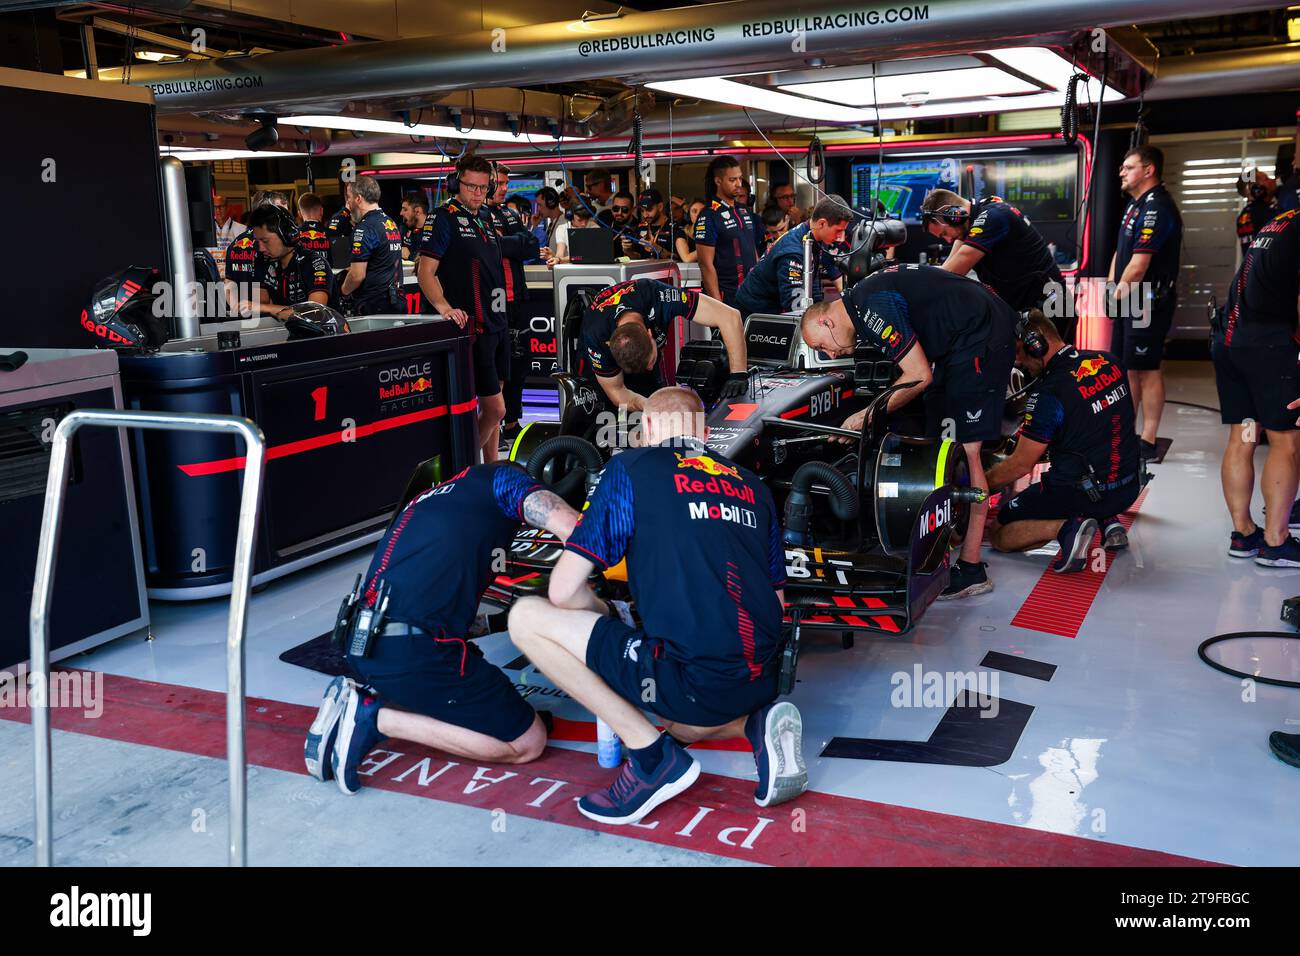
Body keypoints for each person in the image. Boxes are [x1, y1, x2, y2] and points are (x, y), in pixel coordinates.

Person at [508, 387, 808, 825]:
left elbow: (563, 591)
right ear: (706, 434)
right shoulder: (754, 486)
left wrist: (608, 619)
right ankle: (755, 724)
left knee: (526, 618)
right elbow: (776, 605)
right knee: (680, 720)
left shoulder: (631, 468)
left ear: (647, 428)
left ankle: (652, 759)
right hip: (759, 679)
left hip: (690, 681)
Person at [317, 462, 581, 794]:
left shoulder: (431, 498)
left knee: (474, 667)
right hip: (412, 652)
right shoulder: (506, 481)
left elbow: (439, 606)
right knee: (528, 741)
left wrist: (505, 620)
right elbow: (573, 529)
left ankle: (355, 703)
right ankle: (374, 718)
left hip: (363, 646)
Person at [801, 263, 1018, 599]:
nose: (830, 354)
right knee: (938, 441)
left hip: (981, 332)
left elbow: (918, 374)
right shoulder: (862, 302)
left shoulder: (872, 307)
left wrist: (865, 415)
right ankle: (939, 546)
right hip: (959, 340)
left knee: (967, 448)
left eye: (822, 347)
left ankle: (971, 568)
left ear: (825, 322)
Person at [985, 311, 1140, 571]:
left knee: (998, 532)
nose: (1018, 361)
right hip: (1128, 488)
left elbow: (1020, 465)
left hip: (1083, 494)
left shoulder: (1048, 394)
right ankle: (1106, 519)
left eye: (1019, 351)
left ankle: (1066, 528)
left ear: (1037, 344)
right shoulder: (1109, 361)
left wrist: (979, 485)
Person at [1212, 207, 1300, 567]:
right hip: (1269, 349)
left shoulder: (1282, 219)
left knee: (1245, 435)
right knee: (1286, 442)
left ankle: (1243, 533)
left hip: (1230, 342)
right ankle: (1276, 542)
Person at [419, 155, 511, 461]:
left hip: (498, 322)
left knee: (493, 407)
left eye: (483, 187)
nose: (477, 193)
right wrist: (444, 308)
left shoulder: (486, 215)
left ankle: (491, 467)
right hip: (475, 327)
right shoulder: (442, 217)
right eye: (471, 186)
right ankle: (460, 468)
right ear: (456, 183)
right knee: (497, 409)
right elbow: (425, 271)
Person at [1108, 144, 1183, 462]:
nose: (1122, 172)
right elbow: (1121, 252)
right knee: (1128, 369)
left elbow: (1139, 265)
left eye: (1129, 167)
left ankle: (1149, 440)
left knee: (1147, 369)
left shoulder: (1157, 207)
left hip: (1148, 300)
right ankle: (1128, 433)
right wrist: (1111, 289)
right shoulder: (1134, 205)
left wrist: (1116, 296)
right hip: (1130, 298)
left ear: (1149, 170)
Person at [579, 278, 750, 411]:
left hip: (640, 304)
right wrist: (647, 405)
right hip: (602, 378)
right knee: (611, 421)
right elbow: (616, 392)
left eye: (652, 361)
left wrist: (738, 374)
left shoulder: (657, 295)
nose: (650, 366)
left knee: (655, 408)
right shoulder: (595, 335)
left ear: (650, 333)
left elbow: (729, 316)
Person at [919, 188, 1067, 331]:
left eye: (944, 233)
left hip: (1051, 305)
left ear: (954, 215)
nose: (948, 240)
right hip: (1026, 307)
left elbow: (951, 275)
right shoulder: (972, 221)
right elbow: (946, 271)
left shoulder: (994, 215)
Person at [485, 163, 542, 453]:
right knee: (497, 368)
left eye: (507, 183)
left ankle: (512, 422)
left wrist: (503, 243)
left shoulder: (507, 213)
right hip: (491, 302)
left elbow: (531, 245)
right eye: (501, 183)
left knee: (518, 364)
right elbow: (485, 249)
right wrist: (510, 244)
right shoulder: (474, 215)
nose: (505, 189)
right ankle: (493, 425)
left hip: (517, 299)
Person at [734, 194, 852, 318]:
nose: (841, 237)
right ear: (822, 224)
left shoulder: (811, 235)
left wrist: (821, 312)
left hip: (769, 308)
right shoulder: (793, 251)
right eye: (838, 230)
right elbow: (794, 305)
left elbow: (812, 286)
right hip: (753, 312)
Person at [247, 205, 337, 320]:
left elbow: (315, 314)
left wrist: (264, 307)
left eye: (265, 241)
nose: (261, 248)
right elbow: (260, 305)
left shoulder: (315, 264)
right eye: (257, 241)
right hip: (285, 329)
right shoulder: (262, 260)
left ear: (287, 235)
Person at [695, 156, 761, 308]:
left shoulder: (744, 210)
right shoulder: (709, 215)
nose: (739, 184)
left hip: (751, 293)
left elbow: (753, 251)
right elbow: (705, 265)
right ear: (718, 181)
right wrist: (718, 306)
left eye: (740, 178)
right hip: (727, 296)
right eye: (732, 180)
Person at [339, 176, 404, 316]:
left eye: (349, 197)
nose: (348, 203)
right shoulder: (390, 223)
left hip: (374, 306)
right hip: (395, 300)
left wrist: (342, 292)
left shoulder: (364, 228)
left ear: (358, 199)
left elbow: (357, 275)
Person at [224, 190, 290, 311]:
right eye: (281, 213)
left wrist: (238, 310)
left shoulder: (234, 244)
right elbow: (266, 296)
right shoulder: (272, 245)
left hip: (243, 315)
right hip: (272, 315)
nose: (287, 219)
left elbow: (228, 285)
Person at [624, 189, 683, 261]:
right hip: (645, 268)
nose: (645, 215)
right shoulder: (641, 227)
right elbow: (638, 257)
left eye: (649, 209)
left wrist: (658, 249)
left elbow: (679, 260)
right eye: (642, 210)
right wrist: (628, 251)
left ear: (660, 207)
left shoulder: (674, 228)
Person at [1235, 173, 1275, 256]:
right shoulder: (1264, 212)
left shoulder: (1244, 215)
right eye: (1266, 179)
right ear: (1257, 189)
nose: (1272, 180)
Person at [399, 191, 429, 260]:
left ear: (417, 211)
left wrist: (410, 256)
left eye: (405, 209)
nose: (401, 213)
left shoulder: (434, 231)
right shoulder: (403, 228)